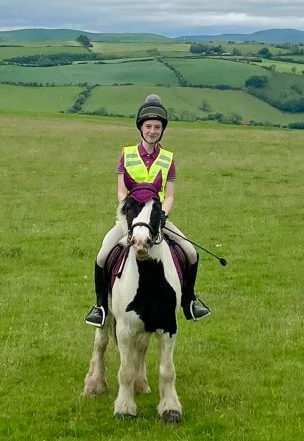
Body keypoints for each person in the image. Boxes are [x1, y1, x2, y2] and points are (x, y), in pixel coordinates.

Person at [85, 94, 211, 327]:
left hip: (157, 219)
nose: (153, 131)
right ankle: (100, 306)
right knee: (102, 255)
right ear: (140, 128)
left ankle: (189, 301)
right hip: (130, 219)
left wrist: (162, 215)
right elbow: (122, 192)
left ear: (162, 130)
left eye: (157, 127)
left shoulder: (168, 159)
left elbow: (170, 195)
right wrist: (129, 217)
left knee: (191, 253)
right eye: (148, 126)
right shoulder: (127, 154)